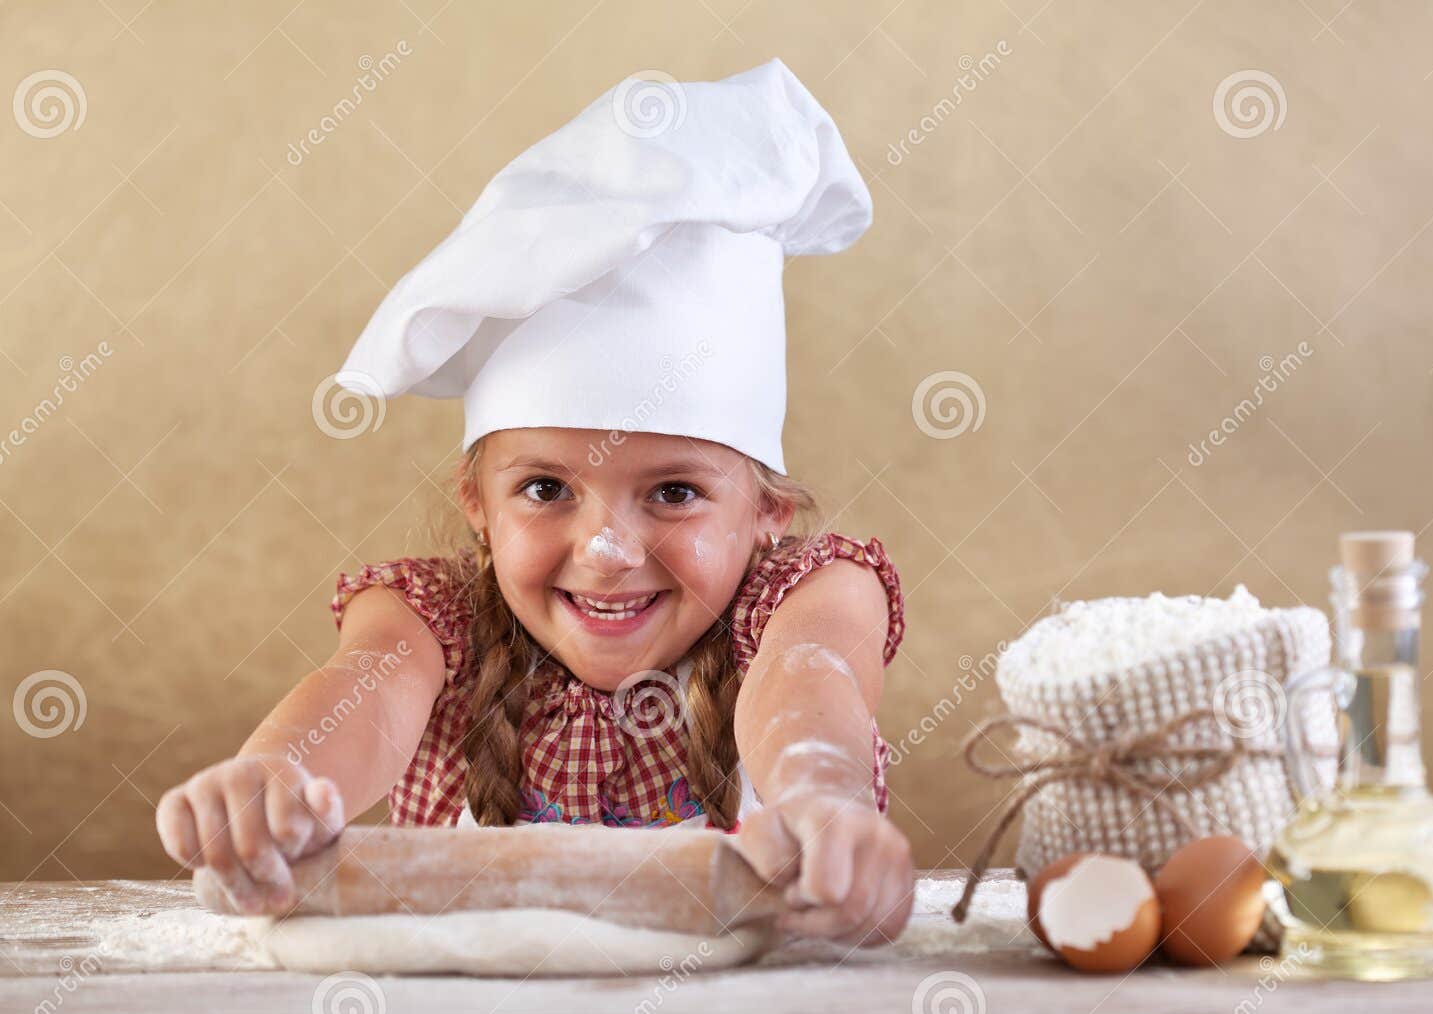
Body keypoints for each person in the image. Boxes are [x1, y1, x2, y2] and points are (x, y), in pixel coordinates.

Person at [155, 59, 914, 947]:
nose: (607, 549)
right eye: (546, 488)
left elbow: (812, 678)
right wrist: (272, 782)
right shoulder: (430, 618)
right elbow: (364, 695)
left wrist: (823, 797)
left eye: (674, 492)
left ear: (766, 514)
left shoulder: (808, 595)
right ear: (477, 501)